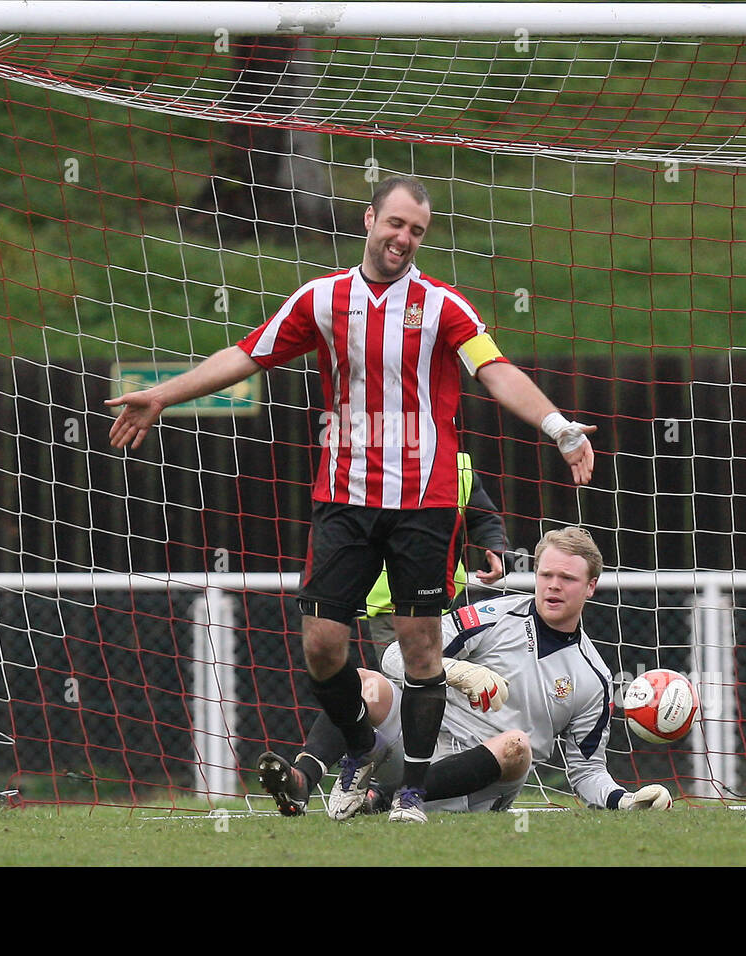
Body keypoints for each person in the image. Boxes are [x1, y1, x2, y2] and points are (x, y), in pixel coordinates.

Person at [108, 176, 597, 823]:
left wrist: (558, 427)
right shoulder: (323, 299)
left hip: (423, 504)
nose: (403, 238)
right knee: (321, 646)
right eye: (395, 223)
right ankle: (362, 745)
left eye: (416, 230)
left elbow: (494, 368)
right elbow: (248, 353)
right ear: (370, 219)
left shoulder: (444, 305)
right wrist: (165, 394)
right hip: (343, 501)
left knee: (422, 651)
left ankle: (413, 794)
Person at [257, 527, 674, 819]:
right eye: (546, 574)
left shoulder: (594, 678)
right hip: (420, 742)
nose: (553, 585)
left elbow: (586, 771)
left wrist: (622, 800)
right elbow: (394, 659)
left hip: (479, 785)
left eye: (567, 578)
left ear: (591, 587)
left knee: (516, 745)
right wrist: (455, 671)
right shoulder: (492, 615)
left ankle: (384, 796)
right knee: (365, 682)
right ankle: (301, 780)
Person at [358, 450, 509, 662]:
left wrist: (496, 549)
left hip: (446, 605)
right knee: (407, 683)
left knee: (447, 683)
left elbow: (483, 518)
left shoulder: (458, 464)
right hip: (388, 611)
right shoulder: (369, 462)